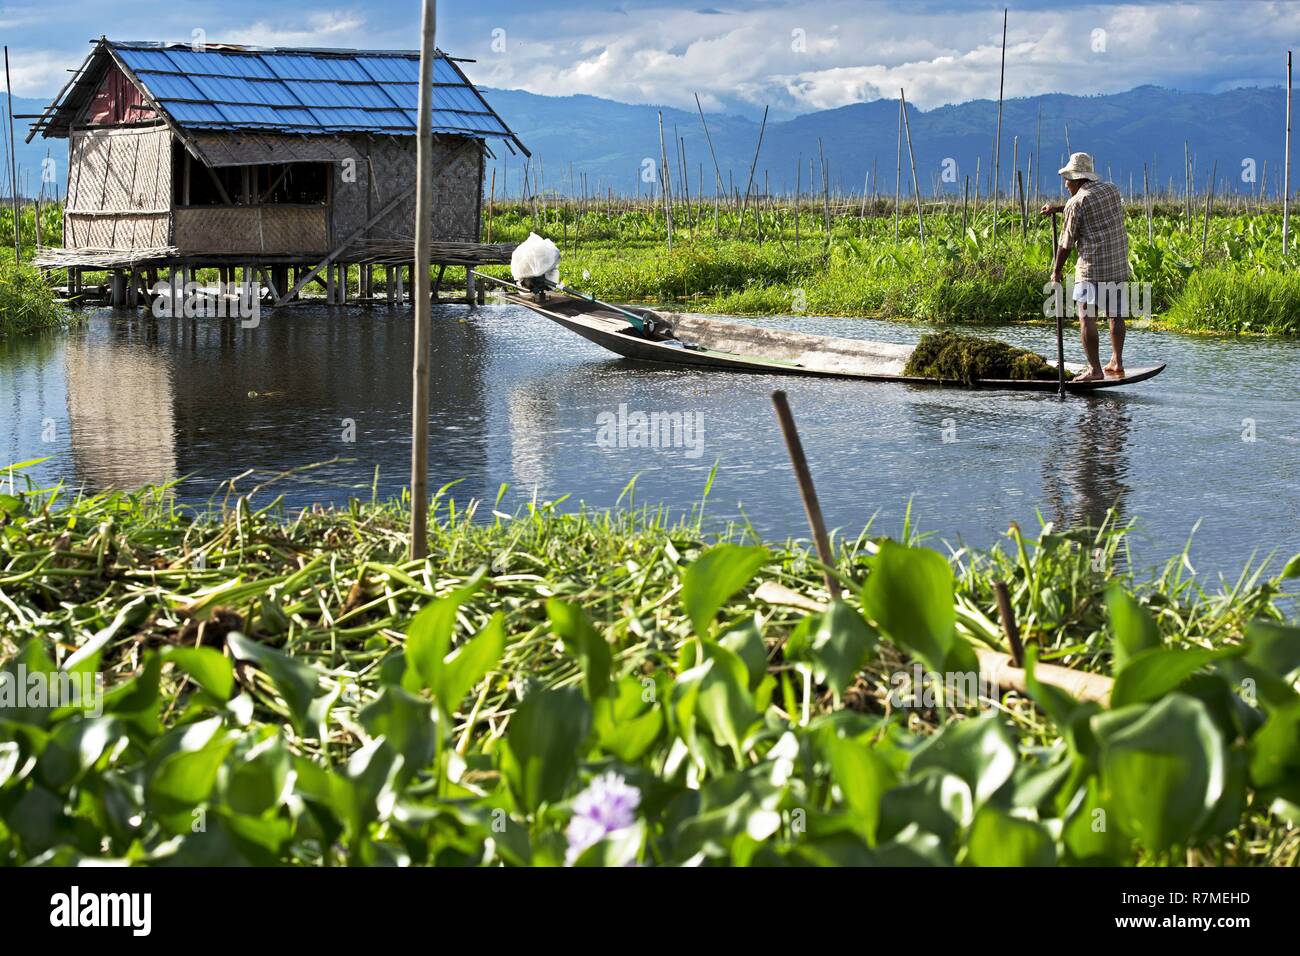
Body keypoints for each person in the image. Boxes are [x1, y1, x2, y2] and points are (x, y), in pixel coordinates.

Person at [1040, 152, 1130, 382]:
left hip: (1091, 268)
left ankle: (1095, 370)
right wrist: (1057, 209)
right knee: (1116, 315)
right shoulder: (1111, 189)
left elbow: (1065, 243)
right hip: (1117, 264)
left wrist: (1056, 271)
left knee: (1086, 316)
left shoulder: (1076, 202)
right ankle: (1117, 361)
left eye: (1068, 179)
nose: (1066, 184)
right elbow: (1083, 208)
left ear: (1078, 179)